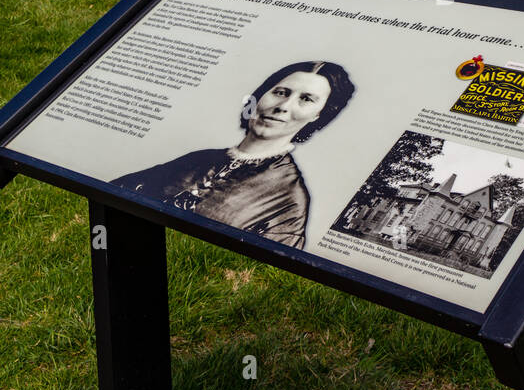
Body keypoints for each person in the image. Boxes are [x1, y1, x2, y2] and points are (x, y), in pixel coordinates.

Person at [113, 60, 354, 250]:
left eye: (305, 99)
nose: (284, 106)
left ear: (318, 116)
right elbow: (117, 191)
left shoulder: (289, 199)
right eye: (281, 92)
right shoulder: (200, 158)